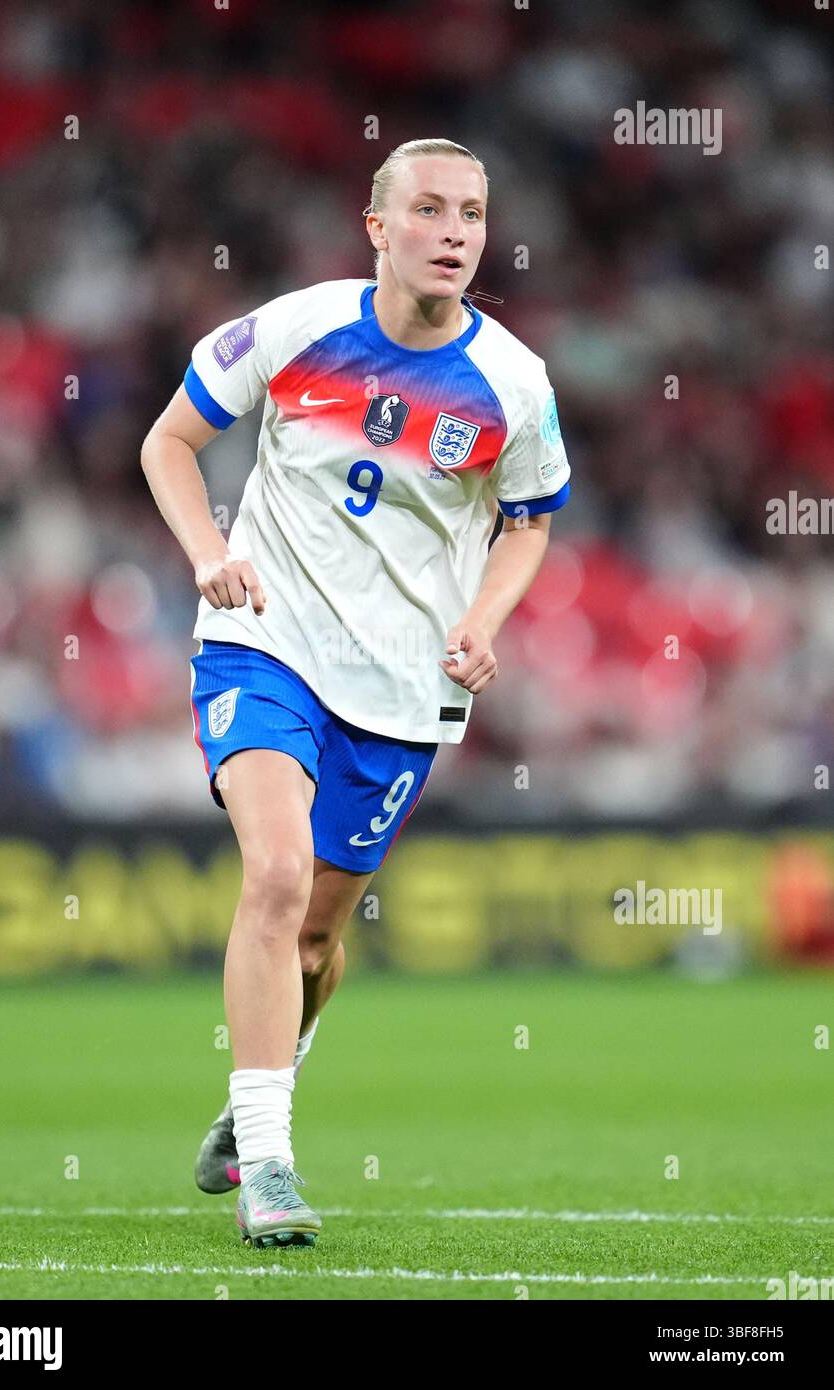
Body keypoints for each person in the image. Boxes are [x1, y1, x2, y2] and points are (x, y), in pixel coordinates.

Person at [140, 137, 571, 1249]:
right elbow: (170, 442)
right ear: (375, 225)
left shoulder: (513, 384)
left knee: (319, 940)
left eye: (470, 215)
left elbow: (529, 522)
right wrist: (204, 555)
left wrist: (482, 617)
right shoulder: (296, 328)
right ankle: (271, 1164)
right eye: (427, 211)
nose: (454, 234)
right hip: (261, 641)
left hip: (399, 688)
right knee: (275, 872)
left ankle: (251, 1102)